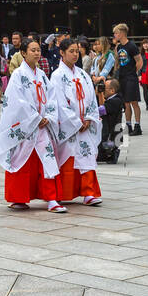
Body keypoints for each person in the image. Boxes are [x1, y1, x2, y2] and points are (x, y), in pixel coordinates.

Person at [0, 37, 65, 212]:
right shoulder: (18, 75)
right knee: (22, 161)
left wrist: (48, 116)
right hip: (26, 127)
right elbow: (16, 102)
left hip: (42, 126)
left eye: (38, 50)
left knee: (47, 160)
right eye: (32, 50)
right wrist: (35, 118)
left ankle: (52, 199)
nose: (36, 53)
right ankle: (18, 198)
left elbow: (51, 97)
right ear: (23, 53)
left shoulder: (42, 75)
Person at [50, 36, 103, 206]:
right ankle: (64, 192)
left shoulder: (82, 74)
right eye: (71, 51)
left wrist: (88, 117)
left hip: (84, 124)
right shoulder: (57, 76)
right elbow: (58, 102)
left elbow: (91, 99)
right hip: (69, 126)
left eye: (76, 51)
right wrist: (75, 122)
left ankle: (89, 193)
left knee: (86, 156)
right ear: (62, 52)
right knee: (68, 157)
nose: (75, 55)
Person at [112, 24, 142, 136]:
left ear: (122, 33)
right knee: (126, 103)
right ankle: (128, 125)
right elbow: (118, 62)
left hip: (131, 77)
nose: (115, 35)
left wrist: (134, 72)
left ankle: (138, 125)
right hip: (122, 76)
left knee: (134, 101)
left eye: (116, 33)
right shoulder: (119, 47)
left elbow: (139, 61)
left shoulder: (132, 46)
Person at [99, 77, 124, 163]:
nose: (102, 90)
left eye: (104, 88)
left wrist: (99, 94)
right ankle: (109, 153)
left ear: (112, 90)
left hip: (113, 138)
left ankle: (112, 153)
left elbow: (101, 110)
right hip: (113, 137)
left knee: (96, 156)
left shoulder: (115, 101)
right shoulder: (114, 99)